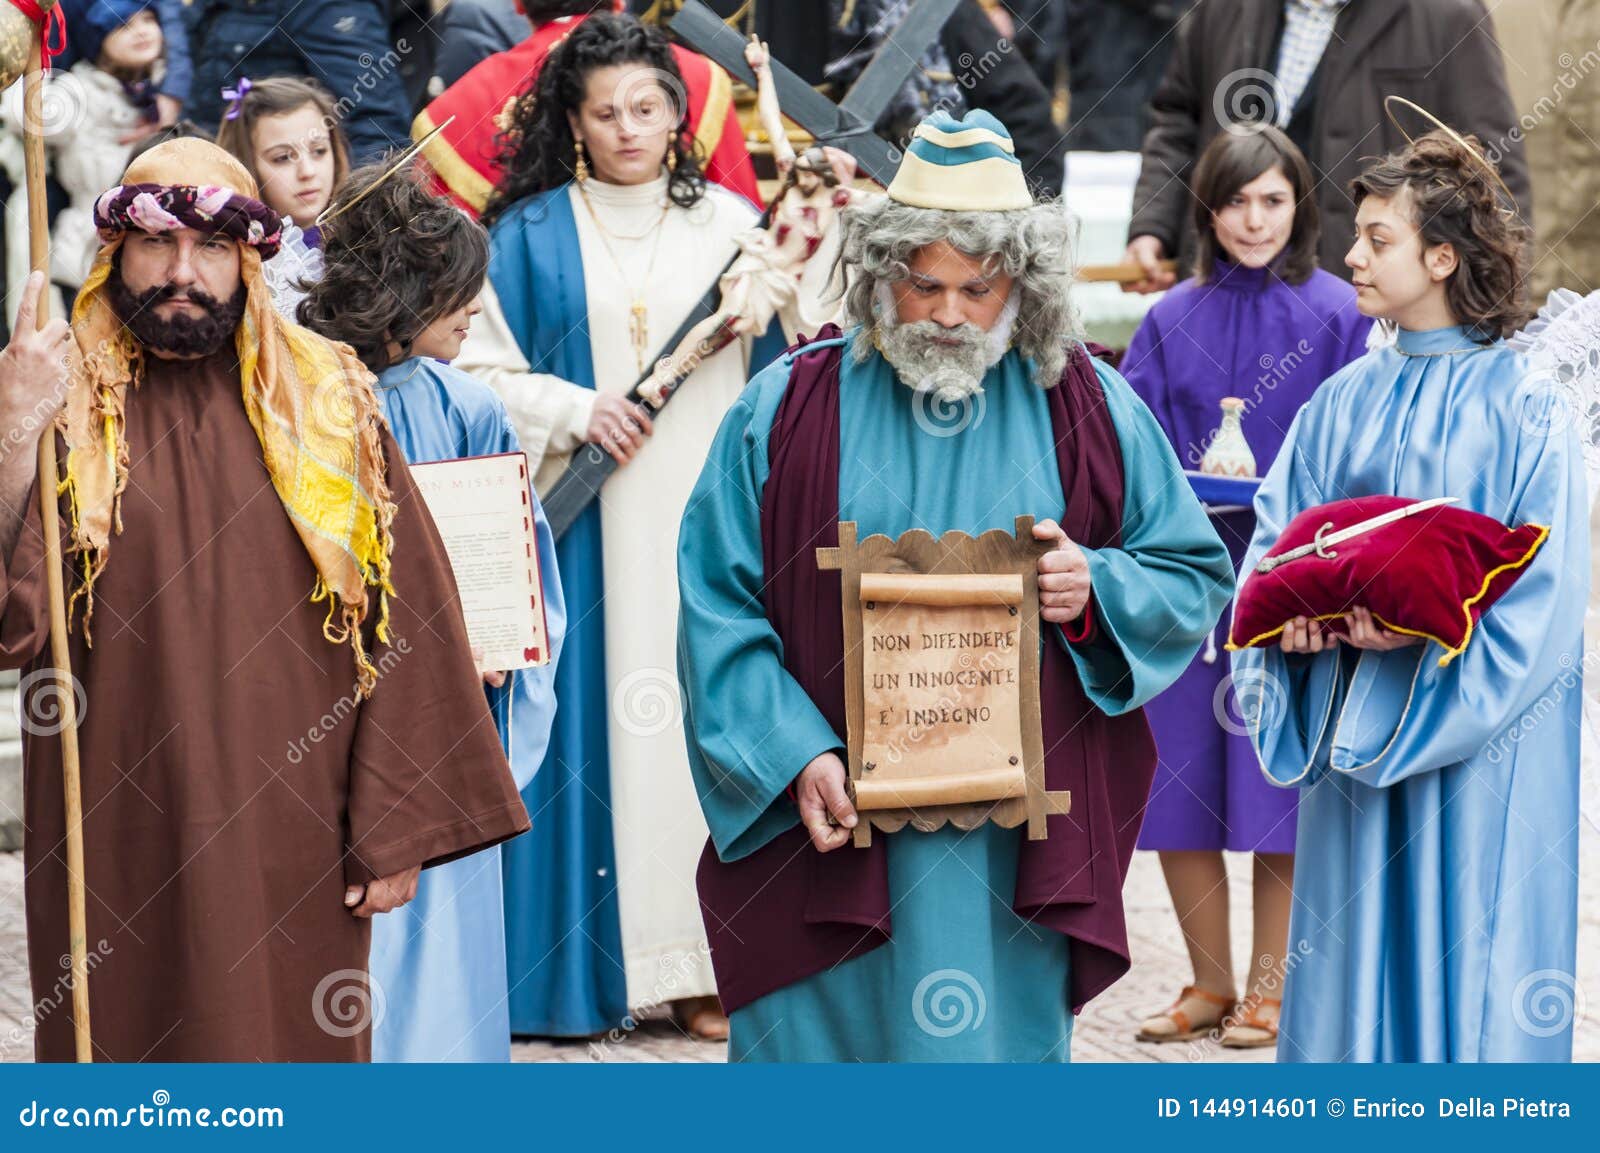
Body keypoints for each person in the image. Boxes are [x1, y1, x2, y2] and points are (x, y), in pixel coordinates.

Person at [678, 109, 1235, 1061]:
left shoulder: (1092, 406)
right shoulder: (783, 407)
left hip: (1008, 856)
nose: (945, 313)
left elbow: (1190, 568)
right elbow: (715, 605)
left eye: (977, 289)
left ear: (1023, 281)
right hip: (831, 828)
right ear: (881, 271)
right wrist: (793, 753)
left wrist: (1092, 584)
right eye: (922, 283)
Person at [0, 139, 530, 1061]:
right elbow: (11, 629)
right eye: (158, 245)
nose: (180, 272)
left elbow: (408, 616)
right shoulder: (61, 399)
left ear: (248, 262)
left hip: (294, 819)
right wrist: (12, 430)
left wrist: (396, 820)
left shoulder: (329, 397)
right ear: (115, 255)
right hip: (112, 824)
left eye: (210, 249)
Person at [453, 13, 776, 1042]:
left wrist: (799, 275)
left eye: (647, 107)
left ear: (679, 115)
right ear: (575, 122)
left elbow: (808, 356)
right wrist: (573, 407)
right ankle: (584, 967)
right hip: (585, 515)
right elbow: (474, 370)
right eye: (607, 112)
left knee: (701, 725)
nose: (629, 127)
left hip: (713, 518)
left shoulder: (736, 228)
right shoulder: (525, 236)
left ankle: (705, 964)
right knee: (602, 744)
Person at [1234, 130, 1586, 1061]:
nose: (1350, 255)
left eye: (1377, 238)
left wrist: (1432, 651)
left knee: (1471, 953)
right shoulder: (1339, 400)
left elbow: (1545, 595)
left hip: (1481, 752)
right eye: (1356, 234)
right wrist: (1293, 629)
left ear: (1441, 256)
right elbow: (1276, 544)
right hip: (1352, 731)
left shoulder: (1529, 403)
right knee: (1349, 957)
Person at [300, 164, 565, 1062]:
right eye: (456, 290)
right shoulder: (299, 403)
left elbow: (522, 574)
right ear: (401, 294)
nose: (474, 308)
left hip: (448, 723)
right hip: (328, 719)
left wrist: (499, 650)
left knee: (439, 965)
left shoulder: (471, 405)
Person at [1119, 123, 1371, 1050]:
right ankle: (1209, 983)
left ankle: (1271, 988)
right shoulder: (1167, 316)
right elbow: (1135, 449)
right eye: (1234, 201)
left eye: (1272, 200)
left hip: (1292, 584)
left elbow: (1358, 455)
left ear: (1300, 204)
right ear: (1207, 210)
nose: (1254, 219)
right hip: (1191, 584)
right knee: (1180, 786)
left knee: (1276, 791)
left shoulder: (1340, 312)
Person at [1122, 0, 1530, 291]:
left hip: (1372, 305)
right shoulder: (1219, 9)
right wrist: (1151, 230)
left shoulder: (1449, 15)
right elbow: (1176, 123)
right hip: (1226, 286)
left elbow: (1491, 172)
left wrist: (1492, 307)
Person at [412, 1, 758, 219]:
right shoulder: (698, 75)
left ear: (519, 5)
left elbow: (440, 262)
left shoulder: (455, 109)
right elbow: (746, 217)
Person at [2, 0, 165, 295]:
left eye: (149, 20)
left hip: (156, 245)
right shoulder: (78, 93)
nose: (141, 32)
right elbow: (24, 116)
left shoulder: (168, 93)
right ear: (97, 40)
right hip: (86, 249)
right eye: (124, 25)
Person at [184, 0, 411, 162]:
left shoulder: (328, 8)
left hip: (293, 211)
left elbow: (378, 126)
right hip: (215, 189)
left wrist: (348, 217)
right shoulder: (214, 7)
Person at [214, 77, 351, 242]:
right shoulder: (231, 249)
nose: (308, 172)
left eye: (319, 151)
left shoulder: (364, 237)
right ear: (244, 166)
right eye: (283, 158)